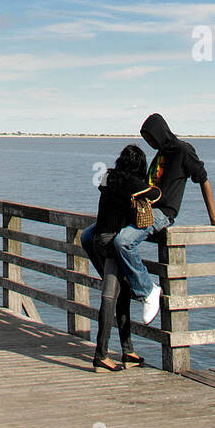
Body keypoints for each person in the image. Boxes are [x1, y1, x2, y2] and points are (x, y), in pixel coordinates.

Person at [112, 114, 215, 326]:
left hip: (163, 213)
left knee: (123, 241)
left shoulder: (183, 151)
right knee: (92, 234)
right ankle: (125, 282)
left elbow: (203, 179)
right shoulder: (160, 155)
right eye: (146, 140)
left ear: (161, 132)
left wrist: (214, 218)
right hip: (144, 208)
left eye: (152, 139)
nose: (150, 143)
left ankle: (147, 290)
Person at [80, 145, 156, 371]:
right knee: (110, 296)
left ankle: (128, 351)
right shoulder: (130, 183)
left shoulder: (108, 177)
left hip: (98, 239)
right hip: (112, 242)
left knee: (121, 292)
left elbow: (106, 195)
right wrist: (147, 185)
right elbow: (156, 194)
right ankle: (101, 355)